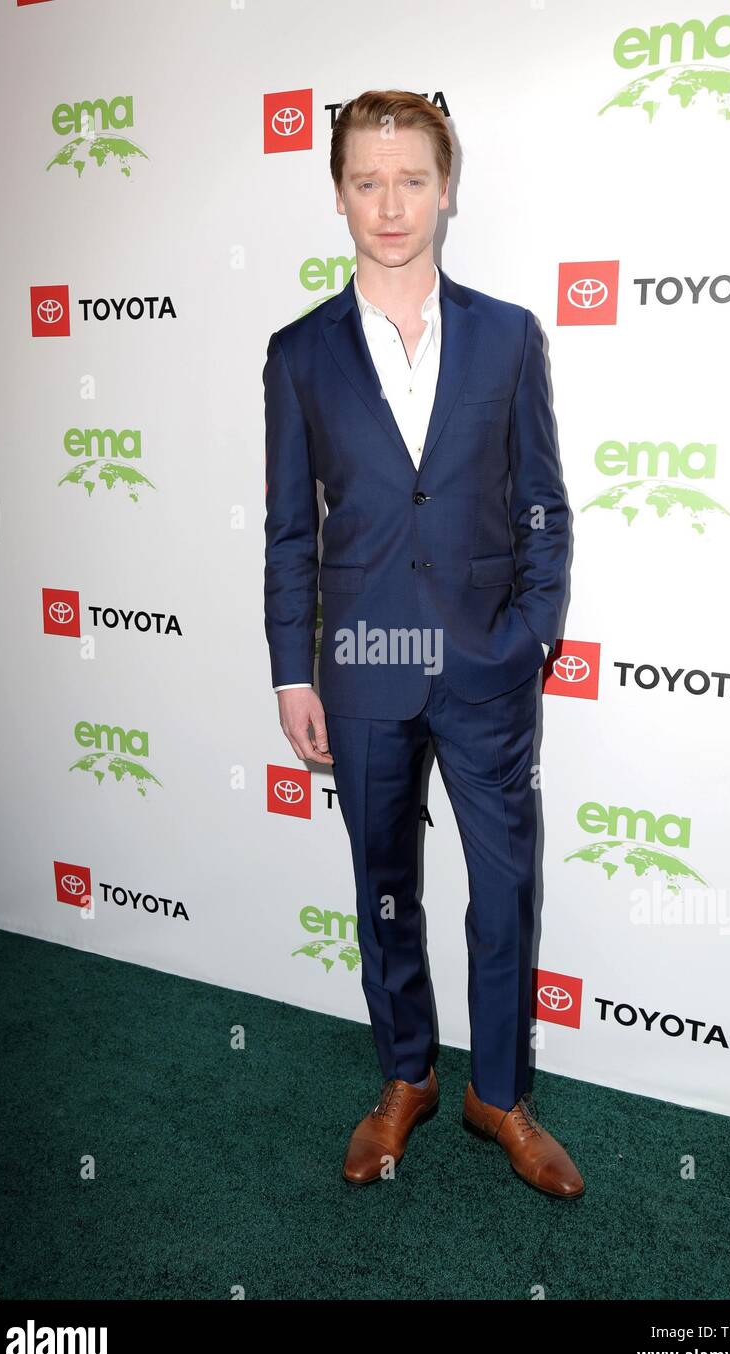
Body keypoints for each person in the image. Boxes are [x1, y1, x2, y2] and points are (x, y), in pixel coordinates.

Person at [263, 90, 582, 1197]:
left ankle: (498, 1089)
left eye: (410, 179)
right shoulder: (298, 353)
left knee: (503, 891)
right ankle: (406, 1074)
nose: (389, 205)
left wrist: (530, 635)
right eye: (365, 180)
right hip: (359, 669)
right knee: (381, 884)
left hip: (486, 663)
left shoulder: (506, 334)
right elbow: (290, 527)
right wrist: (290, 667)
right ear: (339, 192)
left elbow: (542, 502)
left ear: (446, 188)